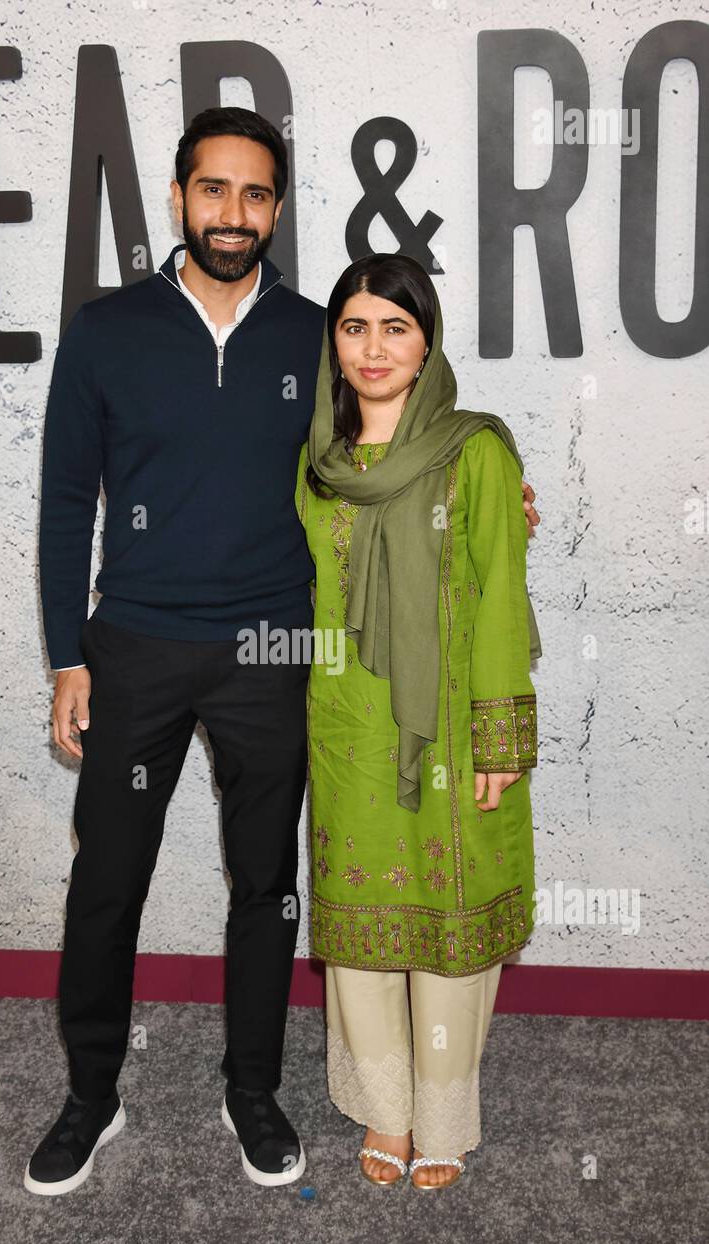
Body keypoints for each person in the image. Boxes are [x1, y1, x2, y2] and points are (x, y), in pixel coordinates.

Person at [28, 106, 541, 1197]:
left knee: (265, 884)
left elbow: (385, 446)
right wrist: (66, 654)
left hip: (276, 648)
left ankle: (252, 1091)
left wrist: (495, 488)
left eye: (255, 194)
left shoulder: (316, 331)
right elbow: (68, 497)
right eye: (213, 190)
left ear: (275, 209)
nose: (232, 213)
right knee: (107, 875)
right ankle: (89, 1095)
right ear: (178, 199)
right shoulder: (105, 329)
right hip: (135, 646)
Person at [296, 252, 542, 1190]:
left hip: (448, 722)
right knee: (360, 927)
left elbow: (497, 598)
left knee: (447, 925)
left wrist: (498, 738)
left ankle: (442, 1116)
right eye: (354, 327)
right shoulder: (317, 464)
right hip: (347, 725)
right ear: (334, 343)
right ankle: (385, 1114)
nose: (372, 348)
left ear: (426, 341)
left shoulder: (474, 450)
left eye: (394, 327)